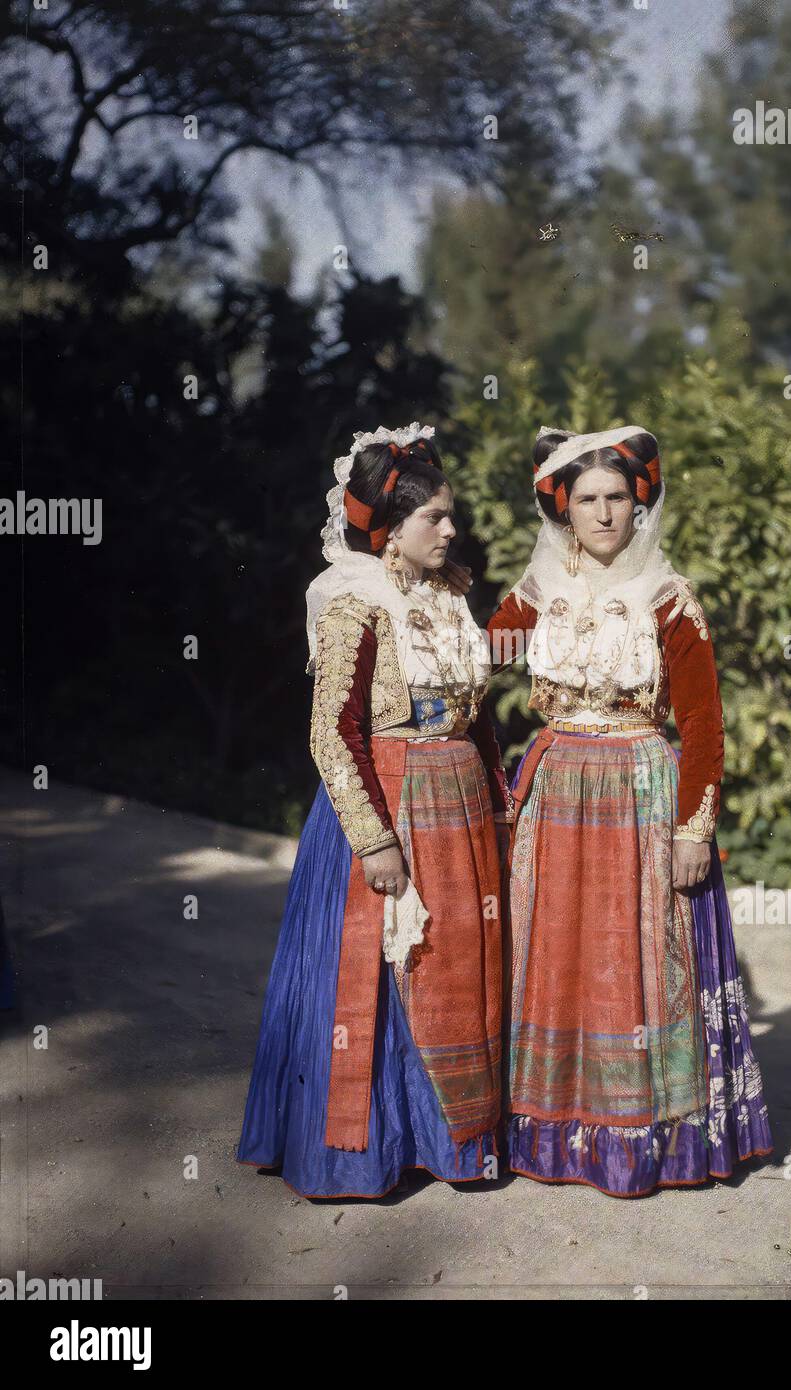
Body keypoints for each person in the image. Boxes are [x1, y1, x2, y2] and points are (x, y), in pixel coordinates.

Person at [487, 425, 773, 1197]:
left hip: (641, 786)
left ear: (638, 501)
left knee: (637, 953)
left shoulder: (668, 597)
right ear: (563, 508)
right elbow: (469, 672)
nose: (605, 513)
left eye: (618, 497)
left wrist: (693, 829)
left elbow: (705, 723)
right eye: (588, 500)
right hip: (555, 788)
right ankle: (547, 1131)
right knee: (555, 949)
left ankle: (643, 1140)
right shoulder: (533, 593)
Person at [237, 423, 511, 1199]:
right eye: (436, 519)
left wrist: (497, 799)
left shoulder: (453, 593)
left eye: (451, 516)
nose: (452, 530)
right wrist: (373, 839)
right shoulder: (354, 601)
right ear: (389, 532)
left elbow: (479, 715)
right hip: (387, 807)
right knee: (387, 967)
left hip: (458, 808)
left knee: (454, 966)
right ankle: (371, 1151)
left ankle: (456, 1141)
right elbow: (331, 730)